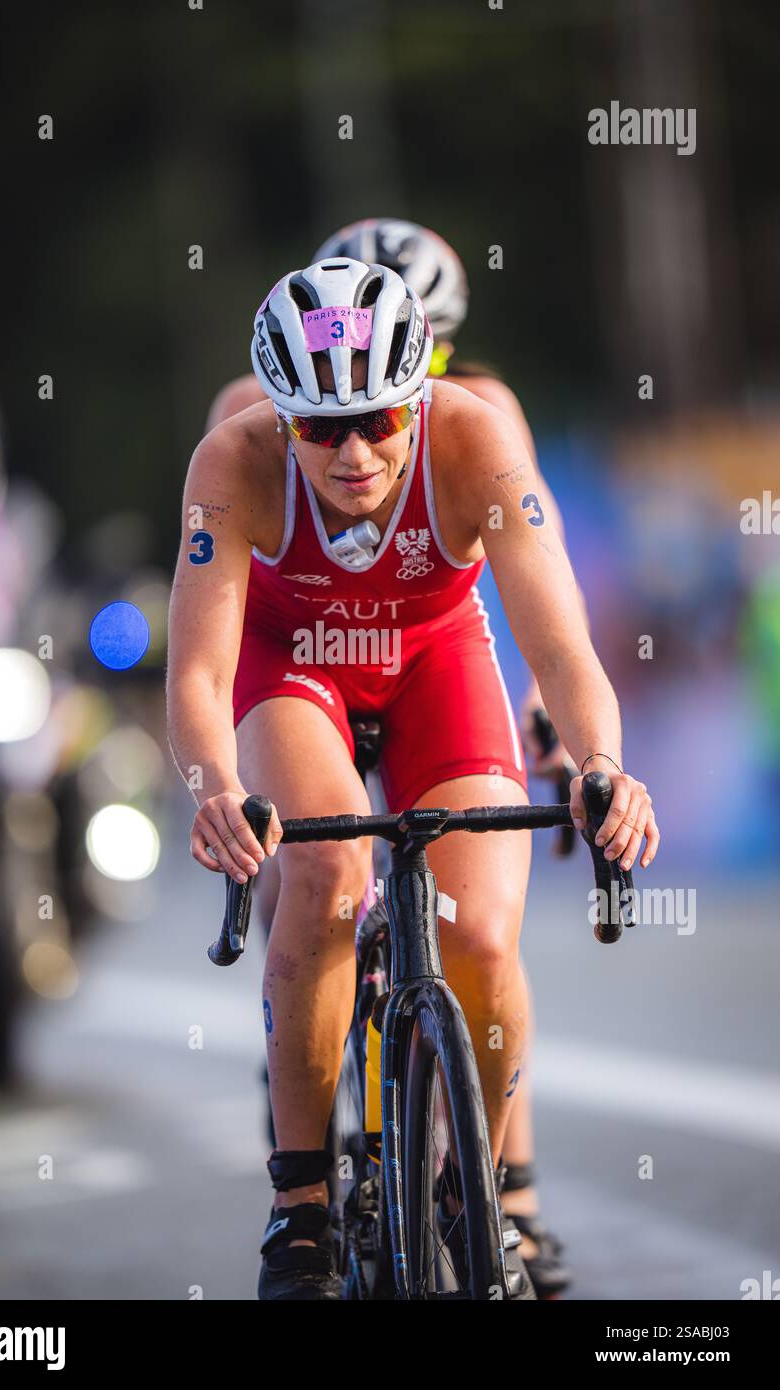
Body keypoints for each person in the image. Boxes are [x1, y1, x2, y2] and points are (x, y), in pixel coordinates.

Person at [167, 255, 658, 1300]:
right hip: (294, 663)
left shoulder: (474, 434)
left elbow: (562, 648)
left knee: (481, 931)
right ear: (278, 415)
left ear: (419, 395)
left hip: (435, 657)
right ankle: (296, 1209)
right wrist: (214, 783)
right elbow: (200, 674)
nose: (350, 452)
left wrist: (600, 761)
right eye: (318, 426)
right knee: (330, 868)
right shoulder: (231, 459)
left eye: (380, 421)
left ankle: (480, 1189)